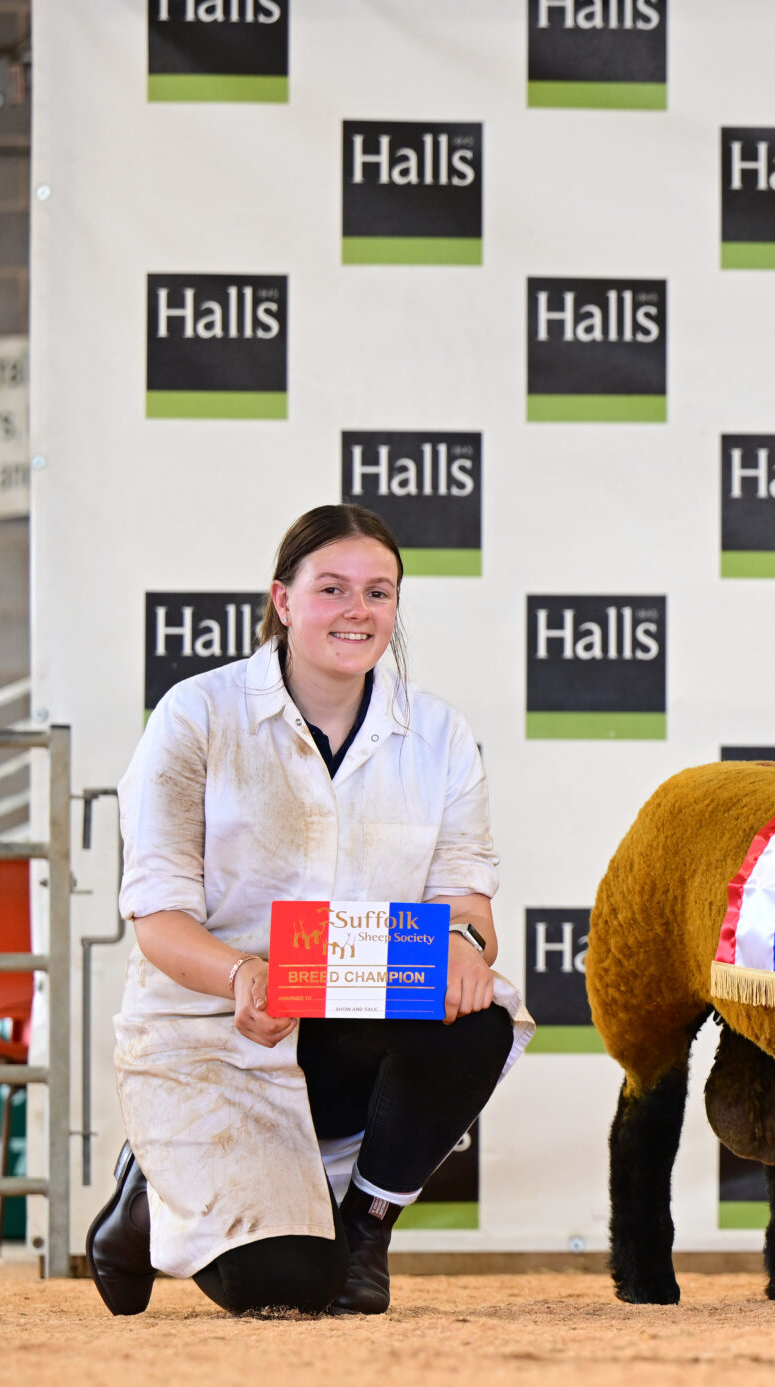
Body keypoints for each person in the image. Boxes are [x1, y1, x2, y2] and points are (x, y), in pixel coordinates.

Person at [87, 505, 534, 1317]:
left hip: (348, 1025)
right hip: (216, 1030)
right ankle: (149, 1189)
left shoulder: (439, 733)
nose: (357, 612)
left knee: (479, 1016)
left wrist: (467, 945)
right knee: (286, 1290)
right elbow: (157, 917)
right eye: (331, 590)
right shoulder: (195, 716)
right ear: (283, 601)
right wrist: (244, 976)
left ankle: (366, 1230)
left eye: (378, 593)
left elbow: (465, 895)